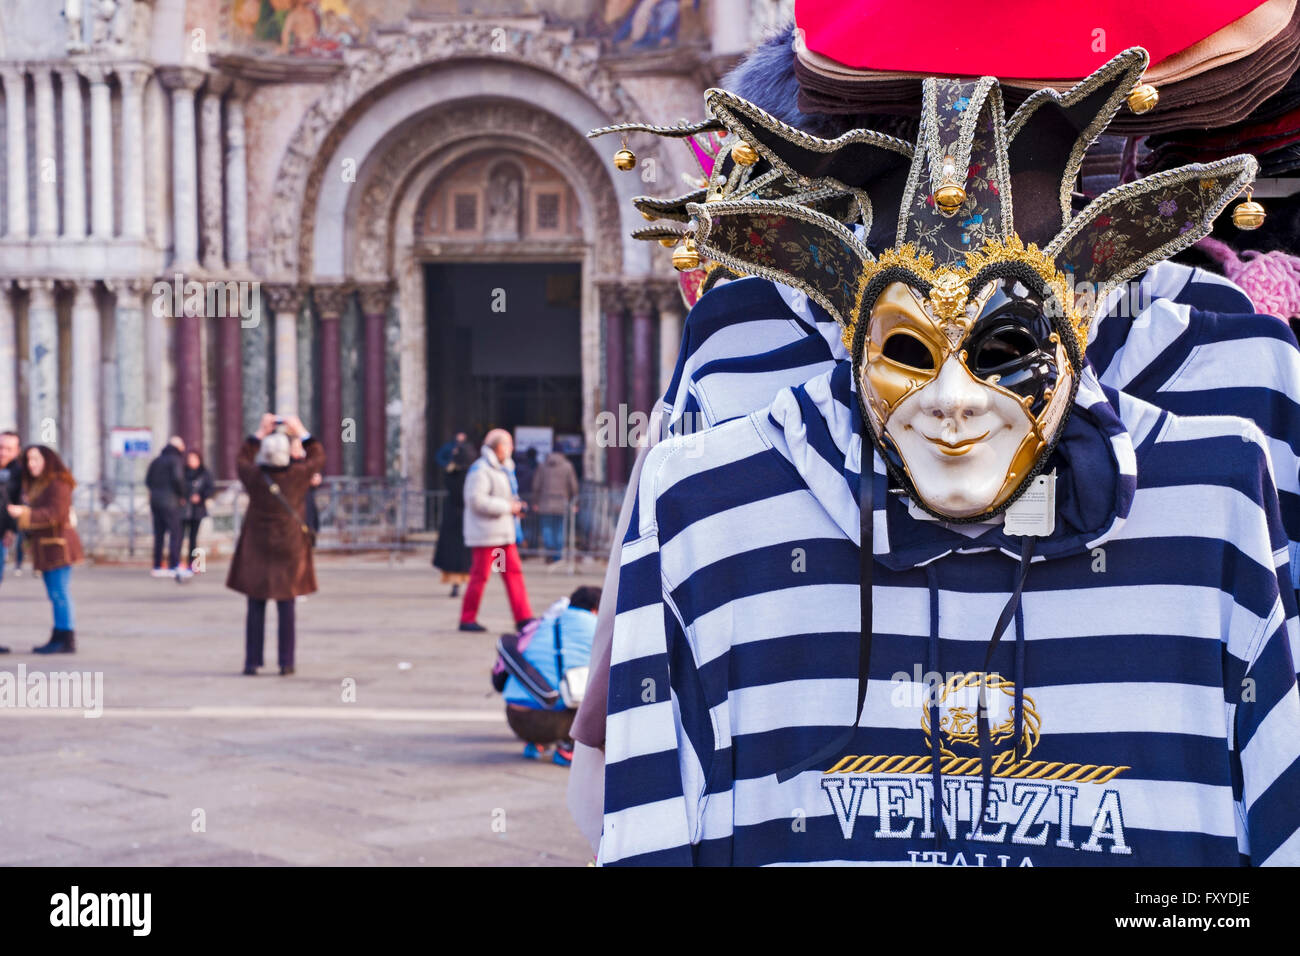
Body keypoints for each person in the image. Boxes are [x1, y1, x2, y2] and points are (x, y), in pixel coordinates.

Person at [595, 50, 1300, 866]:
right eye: (910, 351)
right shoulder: (702, 504)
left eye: (1006, 347)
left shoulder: (1219, 498)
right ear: (854, 345)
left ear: (1078, 346)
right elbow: (645, 822)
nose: (954, 399)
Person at [226, 414, 324, 676]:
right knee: (286, 604)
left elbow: (241, 459)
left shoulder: (255, 477)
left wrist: (259, 432)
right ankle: (286, 662)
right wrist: (301, 430)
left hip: (257, 547)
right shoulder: (298, 475)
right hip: (289, 547)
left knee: (255, 605)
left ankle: (252, 662)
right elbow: (317, 457)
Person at [502, 586, 600, 766]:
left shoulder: (545, 622)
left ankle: (534, 744)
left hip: (514, 716)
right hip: (549, 722)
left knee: (551, 683)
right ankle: (567, 748)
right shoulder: (595, 626)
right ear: (595, 609)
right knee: (595, 691)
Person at [7, 445, 83, 654]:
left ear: (48, 461)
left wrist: (23, 513)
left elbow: (55, 514)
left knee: (59, 593)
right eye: (29, 461)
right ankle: (59, 634)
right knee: (54, 594)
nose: (32, 465)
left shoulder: (58, 483)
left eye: (36, 460)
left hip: (59, 547)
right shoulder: (39, 484)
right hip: (46, 548)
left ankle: (66, 637)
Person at [458, 428, 534, 632]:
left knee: (513, 574)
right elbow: (476, 501)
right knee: (480, 576)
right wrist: (508, 507)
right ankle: (467, 618)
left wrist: (516, 507)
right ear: (498, 447)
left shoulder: (504, 469)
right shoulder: (481, 470)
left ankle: (523, 617)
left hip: (503, 535)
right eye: (508, 444)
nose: (511, 449)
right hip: (486, 535)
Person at [432, 438, 474, 598]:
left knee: (454, 552)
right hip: (467, 516)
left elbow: (448, 479)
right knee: (465, 553)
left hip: (453, 516)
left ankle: (455, 585)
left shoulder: (453, 474)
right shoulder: (473, 475)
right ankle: (465, 583)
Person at [145, 436, 188, 579]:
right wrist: (182, 495)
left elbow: (148, 480)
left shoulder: (156, 461)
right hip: (171, 502)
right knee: (175, 533)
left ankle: (157, 565)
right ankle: (173, 564)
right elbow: (178, 479)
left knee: (159, 534)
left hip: (155, 501)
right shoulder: (175, 460)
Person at [531, 449, 578, 562]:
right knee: (560, 530)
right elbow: (573, 486)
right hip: (562, 503)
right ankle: (557, 556)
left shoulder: (542, 466)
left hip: (545, 502)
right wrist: (575, 502)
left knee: (546, 528)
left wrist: (535, 502)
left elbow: (536, 485)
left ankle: (549, 549)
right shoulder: (567, 466)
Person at [0, 429, 22, 652]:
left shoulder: (19, 474)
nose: (3, 452)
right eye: (0, 447)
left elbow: (18, 504)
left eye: (8, 448)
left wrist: (12, 530)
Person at [182, 450, 215, 572]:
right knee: (180, 537)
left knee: (193, 537)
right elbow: (179, 486)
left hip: (198, 509)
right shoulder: (183, 472)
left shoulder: (204, 473)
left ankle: (194, 564)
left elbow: (210, 488)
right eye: (189, 459)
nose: (191, 461)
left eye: (194, 459)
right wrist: (183, 497)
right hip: (184, 509)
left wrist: (201, 497)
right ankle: (178, 563)